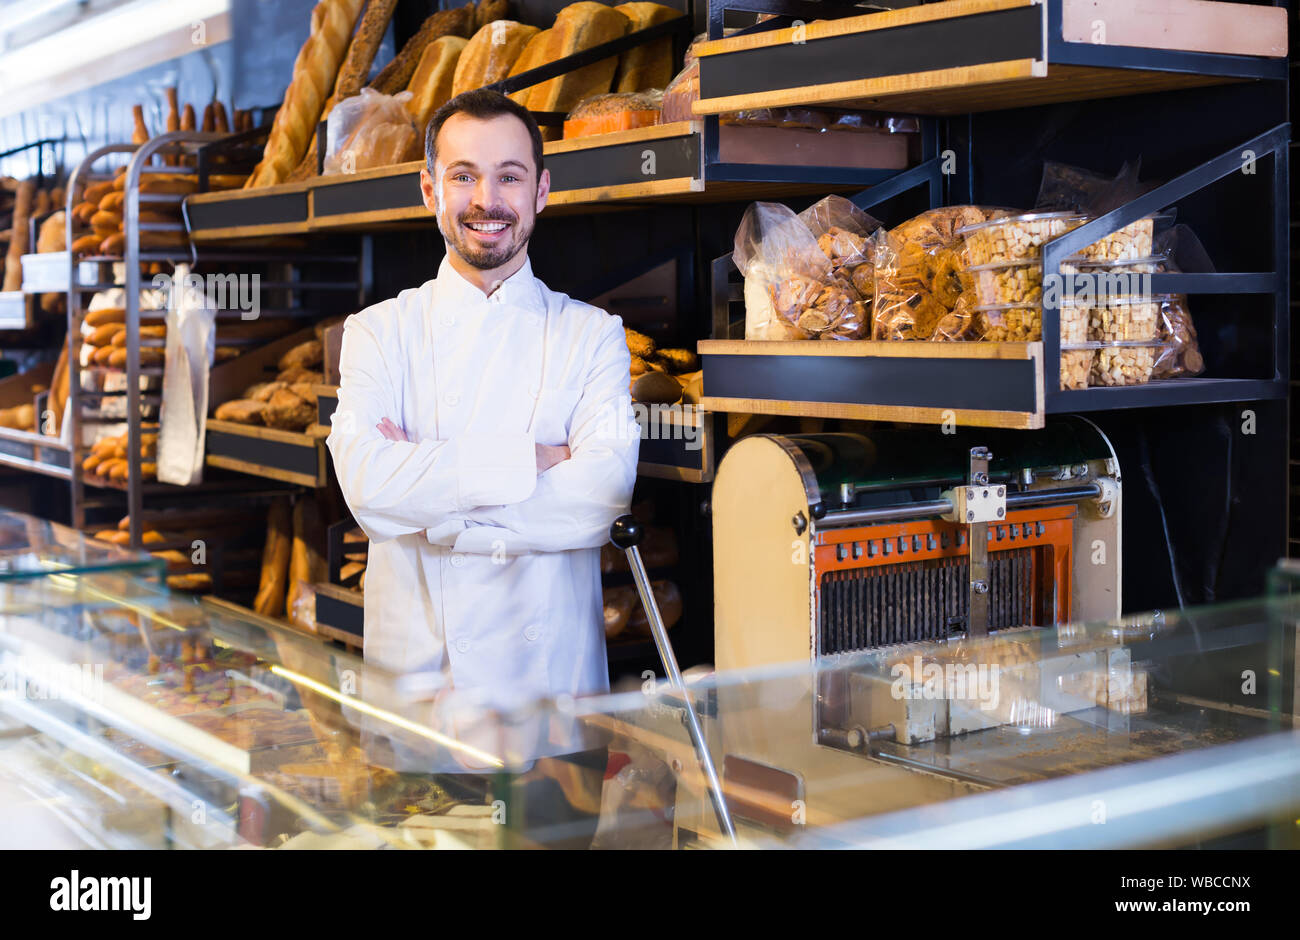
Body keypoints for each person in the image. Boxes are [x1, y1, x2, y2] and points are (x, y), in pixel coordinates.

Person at [327, 89, 639, 808]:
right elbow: (369, 489)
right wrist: (531, 460)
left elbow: (598, 501)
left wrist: (436, 511)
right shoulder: (378, 332)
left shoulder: (591, 334)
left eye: (508, 175)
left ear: (541, 190)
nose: (486, 199)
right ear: (431, 188)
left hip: (551, 708)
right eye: (463, 175)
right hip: (422, 697)